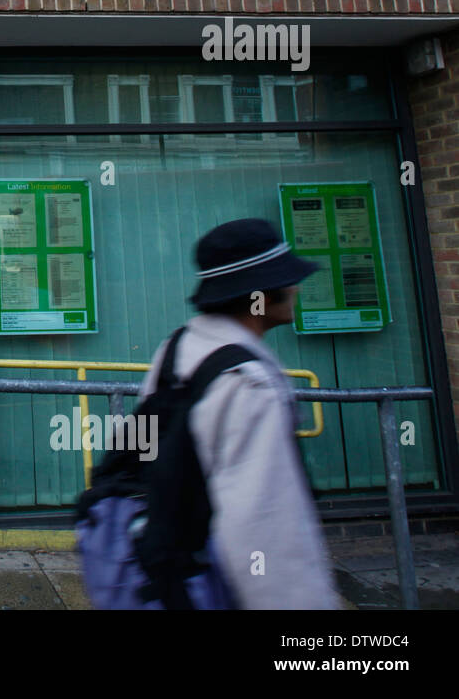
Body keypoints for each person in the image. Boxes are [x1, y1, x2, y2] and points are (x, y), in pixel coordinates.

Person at [139, 217, 339, 609]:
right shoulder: (251, 384)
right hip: (212, 586)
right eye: (286, 280)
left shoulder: (176, 348)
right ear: (259, 296)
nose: (296, 287)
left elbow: (141, 443)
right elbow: (265, 530)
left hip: (165, 577)